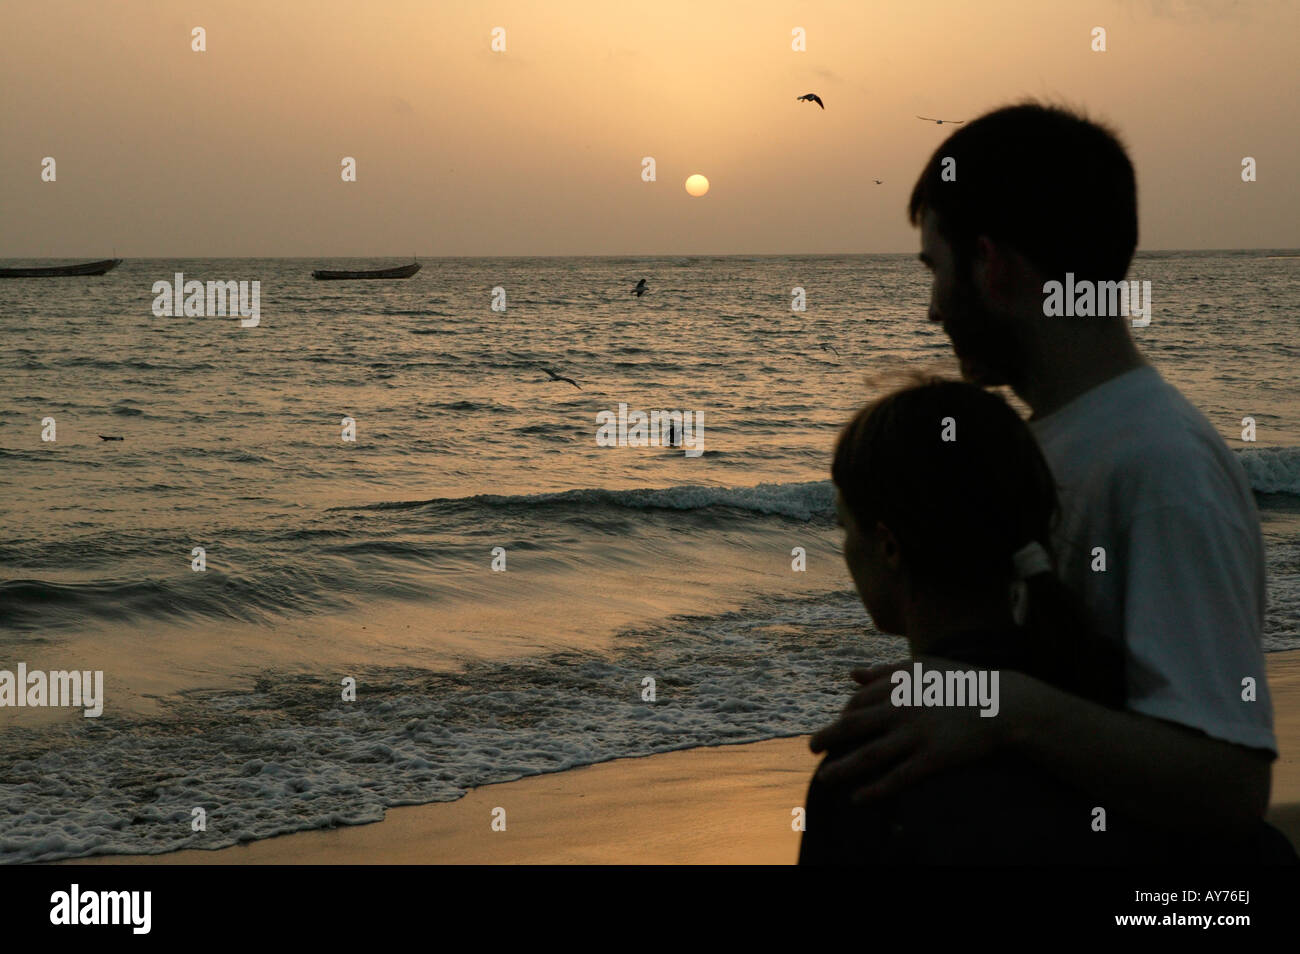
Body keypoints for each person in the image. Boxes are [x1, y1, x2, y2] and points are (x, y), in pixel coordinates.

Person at [811, 101, 1283, 853]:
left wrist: (995, 705)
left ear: (991, 265)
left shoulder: (1161, 466)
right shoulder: (1045, 446)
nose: (932, 310)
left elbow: (1229, 786)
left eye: (935, 269)